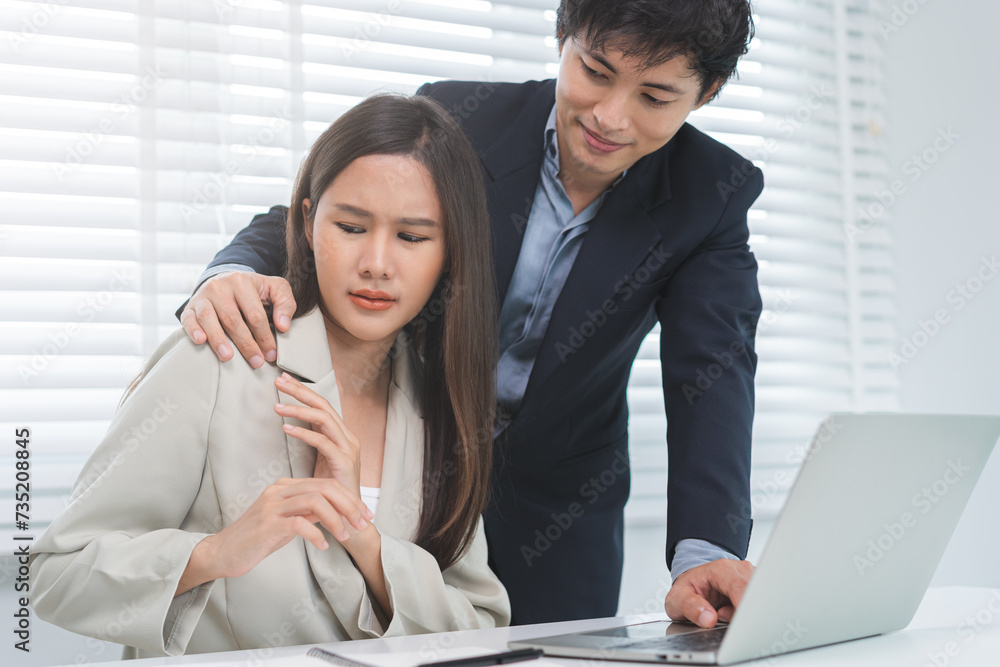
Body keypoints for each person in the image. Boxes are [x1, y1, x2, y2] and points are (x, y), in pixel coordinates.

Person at [179, 0, 761, 627]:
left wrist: (705, 549)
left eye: (654, 97)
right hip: (405, 462)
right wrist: (232, 272)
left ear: (707, 92)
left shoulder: (712, 193)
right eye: (595, 71)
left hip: (558, 503)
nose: (610, 117)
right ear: (563, 35)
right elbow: (329, 214)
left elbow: (715, 367)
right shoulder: (461, 118)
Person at [28, 94, 511, 658]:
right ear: (308, 223)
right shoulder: (220, 359)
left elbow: (482, 628)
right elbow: (56, 575)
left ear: (451, 251)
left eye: (412, 237)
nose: (377, 263)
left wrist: (365, 541)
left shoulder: (439, 403)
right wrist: (217, 552)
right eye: (351, 226)